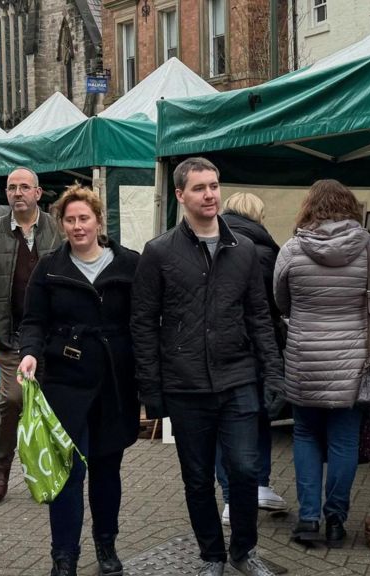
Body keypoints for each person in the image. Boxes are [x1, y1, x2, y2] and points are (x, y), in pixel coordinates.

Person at [132, 158, 284, 576]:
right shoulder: (159, 252)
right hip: (185, 385)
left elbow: (259, 316)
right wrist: (151, 389)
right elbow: (143, 323)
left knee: (245, 469)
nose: (210, 194)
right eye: (199, 188)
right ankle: (212, 555)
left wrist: (274, 372)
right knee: (197, 478)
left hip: (237, 378)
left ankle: (243, 551)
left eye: (214, 185)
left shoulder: (245, 250)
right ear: (180, 195)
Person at [18, 184, 140, 576]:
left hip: (115, 383)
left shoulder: (128, 265)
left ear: (99, 220)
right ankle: (64, 556)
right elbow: (33, 321)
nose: (76, 226)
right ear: (61, 223)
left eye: (83, 218)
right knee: (68, 473)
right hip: (64, 382)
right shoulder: (50, 267)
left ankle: (106, 545)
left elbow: (143, 322)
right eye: (69, 219)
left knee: (107, 470)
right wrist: (30, 353)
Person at [273, 179, 370, 547]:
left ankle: (308, 520)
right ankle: (336, 519)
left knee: (305, 435)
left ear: (309, 207)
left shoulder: (292, 248)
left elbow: (280, 300)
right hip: (354, 360)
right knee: (344, 439)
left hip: (305, 356)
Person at [0, 166, 62, 503]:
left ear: (38, 193)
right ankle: (1, 464)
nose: (18, 193)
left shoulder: (58, 229)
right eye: (12, 187)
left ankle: (48, 467)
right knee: (12, 400)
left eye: (25, 187)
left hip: (53, 336)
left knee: (50, 403)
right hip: (9, 334)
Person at [216, 192, 288, 524]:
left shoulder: (211, 242)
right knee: (258, 417)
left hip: (220, 347)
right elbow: (276, 303)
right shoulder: (268, 251)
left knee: (222, 424)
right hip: (259, 347)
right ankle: (257, 485)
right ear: (258, 215)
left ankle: (231, 496)